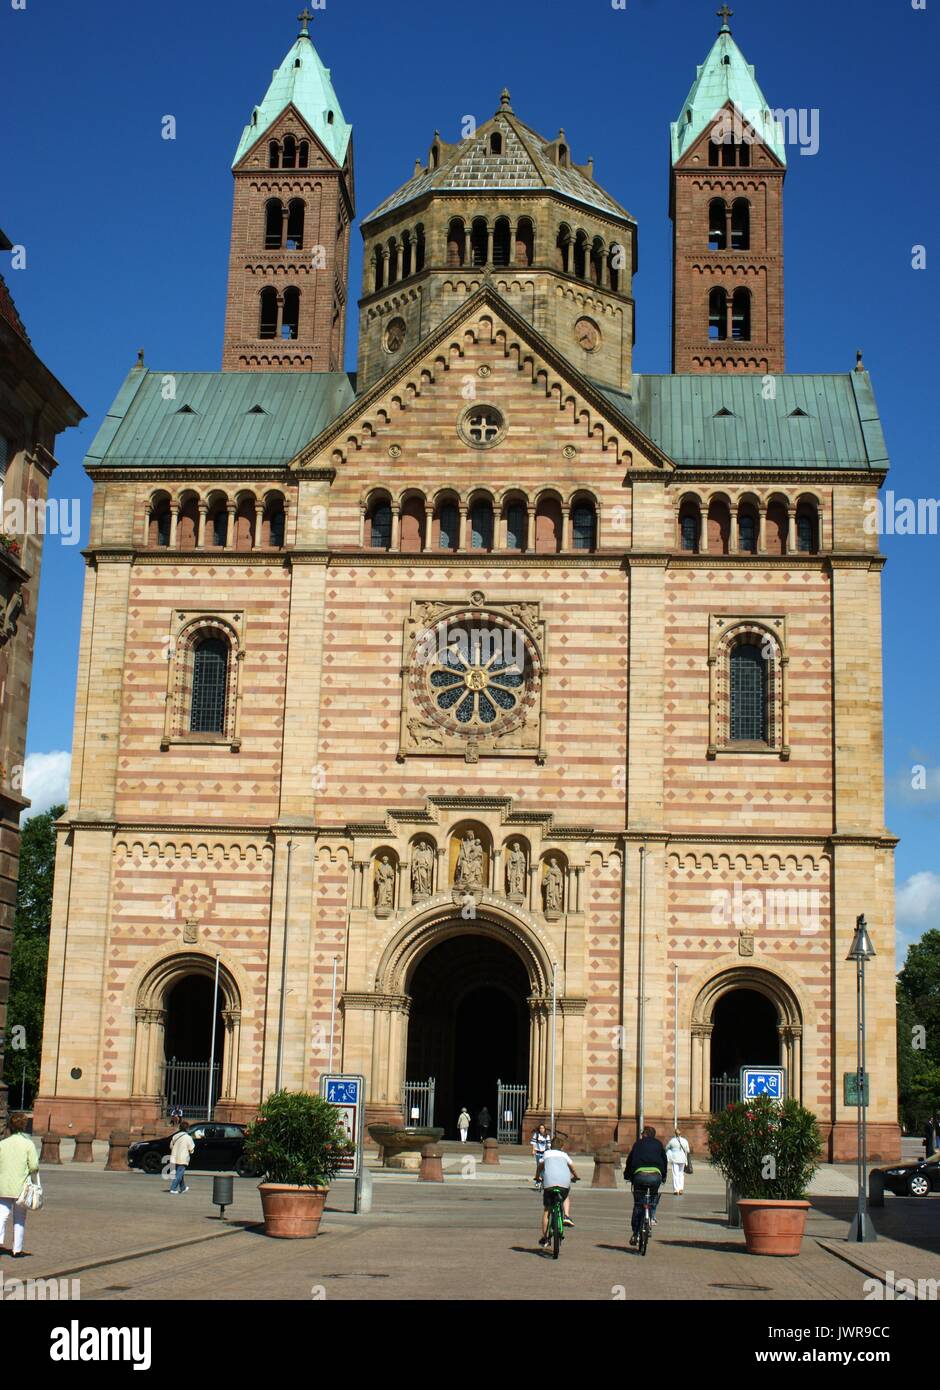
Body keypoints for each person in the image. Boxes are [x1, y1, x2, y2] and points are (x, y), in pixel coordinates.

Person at [0, 1112, 39, 1258]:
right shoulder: (28, 1144)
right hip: (22, 1186)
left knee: (1, 1215)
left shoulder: (2, 1144)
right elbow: (34, 1166)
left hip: (3, 1185)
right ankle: (17, 1249)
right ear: (23, 1125)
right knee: (20, 1218)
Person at [624, 1125, 667, 1246]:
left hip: (640, 1175)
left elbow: (630, 1161)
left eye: (642, 1133)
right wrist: (663, 1176)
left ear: (645, 1134)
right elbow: (664, 1160)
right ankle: (651, 1218)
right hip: (655, 1176)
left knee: (638, 1204)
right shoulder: (658, 1144)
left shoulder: (638, 1144)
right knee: (653, 1198)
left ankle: (635, 1234)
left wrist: (627, 1175)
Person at [536, 1137, 579, 1247]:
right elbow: (572, 1167)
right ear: (562, 1147)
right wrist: (576, 1176)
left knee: (547, 1211)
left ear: (551, 1146)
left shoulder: (546, 1154)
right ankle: (566, 1216)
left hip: (549, 1184)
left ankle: (545, 1238)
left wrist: (537, 1177)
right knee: (565, 1196)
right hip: (564, 1183)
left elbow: (540, 1167)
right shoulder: (564, 1155)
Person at [168, 1119, 195, 1194]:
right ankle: (173, 1188)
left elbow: (171, 1146)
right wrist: (191, 1152)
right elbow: (191, 1148)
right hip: (183, 1158)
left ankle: (183, 1188)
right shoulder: (188, 1137)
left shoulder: (175, 1136)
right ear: (187, 1129)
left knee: (180, 1173)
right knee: (179, 1173)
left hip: (174, 1157)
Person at [665, 1126, 691, 1195]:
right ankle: (681, 1189)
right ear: (680, 1133)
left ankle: (676, 1190)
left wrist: (671, 1151)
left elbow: (666, 1148)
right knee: (681, 1174)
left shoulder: (672, 1140)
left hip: (675, 1158)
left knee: (675, 1174)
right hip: (682, 1158)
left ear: (675, 1133)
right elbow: (688, 1150)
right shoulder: (685, 1140)